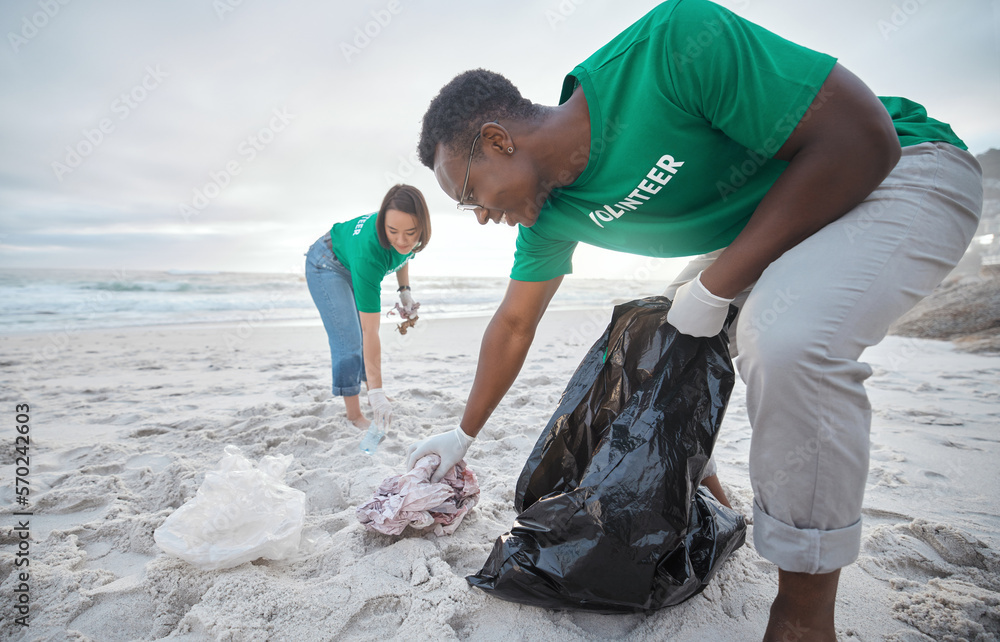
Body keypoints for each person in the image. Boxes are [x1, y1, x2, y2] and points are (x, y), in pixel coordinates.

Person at [405, 1, 983, 639]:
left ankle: (803, 615)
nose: (479, 215)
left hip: (900, 169)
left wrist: (719, 284)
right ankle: (705, 509)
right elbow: (515, 323)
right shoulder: (551, 213)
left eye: (466, 195)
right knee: (651, 337)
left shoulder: (671, 49)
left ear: (495, 141)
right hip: (790, 221)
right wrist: (462, 436)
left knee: (786, 343)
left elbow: (860, 140)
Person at [305, 184, 431, 429]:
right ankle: (354, 414)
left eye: (410, 232)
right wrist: (377, 393)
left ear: (422, 227)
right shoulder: (369, 255)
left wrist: (405, 292)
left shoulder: (405, 239)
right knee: (349, 337)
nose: (402, 240)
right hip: (326, 264)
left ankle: (371, 387)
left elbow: (404, 255)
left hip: (350, 260)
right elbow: (370, 331)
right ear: (383, 224)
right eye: (392, 231)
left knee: (358, 334)